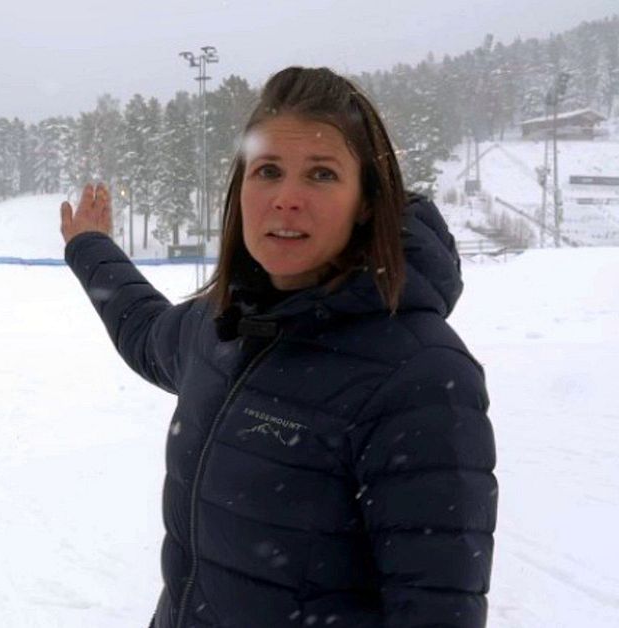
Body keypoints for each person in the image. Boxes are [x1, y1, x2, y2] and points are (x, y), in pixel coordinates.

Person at [60, 67, 496, 628]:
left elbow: (436, 613)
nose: (287, 199)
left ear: (366, 200)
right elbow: (146, 333)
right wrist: (91, 248)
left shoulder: (420, 376)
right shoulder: (223, 325)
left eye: (320, 174)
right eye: (268, 171)